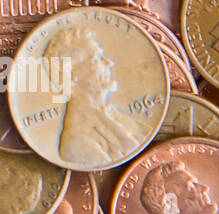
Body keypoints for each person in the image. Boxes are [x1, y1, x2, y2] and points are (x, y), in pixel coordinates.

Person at [44, 25, 145, 166]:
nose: (109, 63)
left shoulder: (118, 118)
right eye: (96, 59)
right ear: (72, 76)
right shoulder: (76, 146)